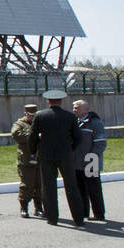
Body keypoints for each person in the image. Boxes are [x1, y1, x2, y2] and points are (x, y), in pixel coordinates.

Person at [27, 89, 85, 228]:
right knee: (71, 186)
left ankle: (52, 218)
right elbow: (78, 137)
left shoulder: (40, 116)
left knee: (48, 187)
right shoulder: (70, 116)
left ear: (48, 102)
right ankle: (78, 218)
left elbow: (32, 137)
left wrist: (33, 152)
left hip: (46, 155)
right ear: (61, 101)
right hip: (65, 155)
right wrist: (70, 149)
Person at [73, 99, 107, 221]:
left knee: (94, 189)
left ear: (85, 109)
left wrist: (91, 158)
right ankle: (84, 212)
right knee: (80, 189)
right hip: (77, 163)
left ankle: (99, 214)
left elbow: (101, 143)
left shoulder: (95, 123)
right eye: (74, 107)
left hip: (90, 162)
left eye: (77, 108)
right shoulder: (76, 122)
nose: (74, 110)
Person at [10, 103, 44, 218]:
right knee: (27, 184)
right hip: (26, 159)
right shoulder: (19, 124)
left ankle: (39, 207)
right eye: (30, 115)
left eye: (34, 115)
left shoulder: (40, 123)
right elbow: (16, 135)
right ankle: (24, 207)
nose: (32, 117)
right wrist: (34, 134)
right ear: (25, 114)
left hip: (40, 158)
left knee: (39, 184)